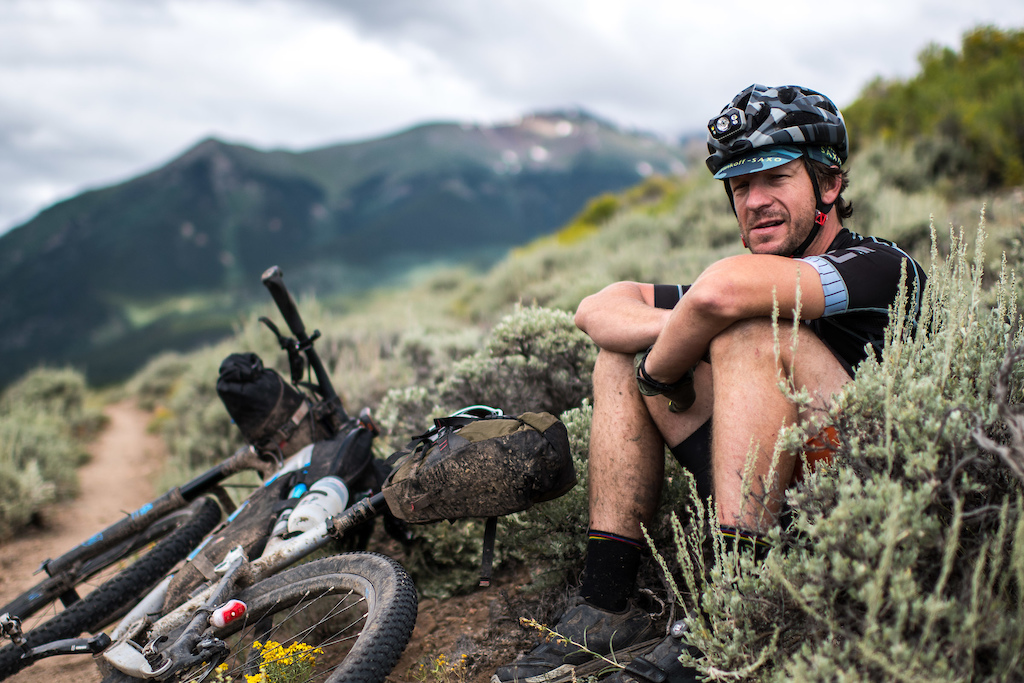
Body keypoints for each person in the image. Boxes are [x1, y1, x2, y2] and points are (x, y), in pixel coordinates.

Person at [493, 84, 927, 683]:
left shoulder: (880, 265)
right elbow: (599, 307)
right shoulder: (740, 281)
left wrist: (673, 357)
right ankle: (605, 606)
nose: (753, 201)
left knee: (748, 331)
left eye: (774, 177)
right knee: (624, 351)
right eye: (739, 185)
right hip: (769, 478)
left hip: (867, 503)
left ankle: (735, 614)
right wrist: (681, 335)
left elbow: (724, 293)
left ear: (829, 185)